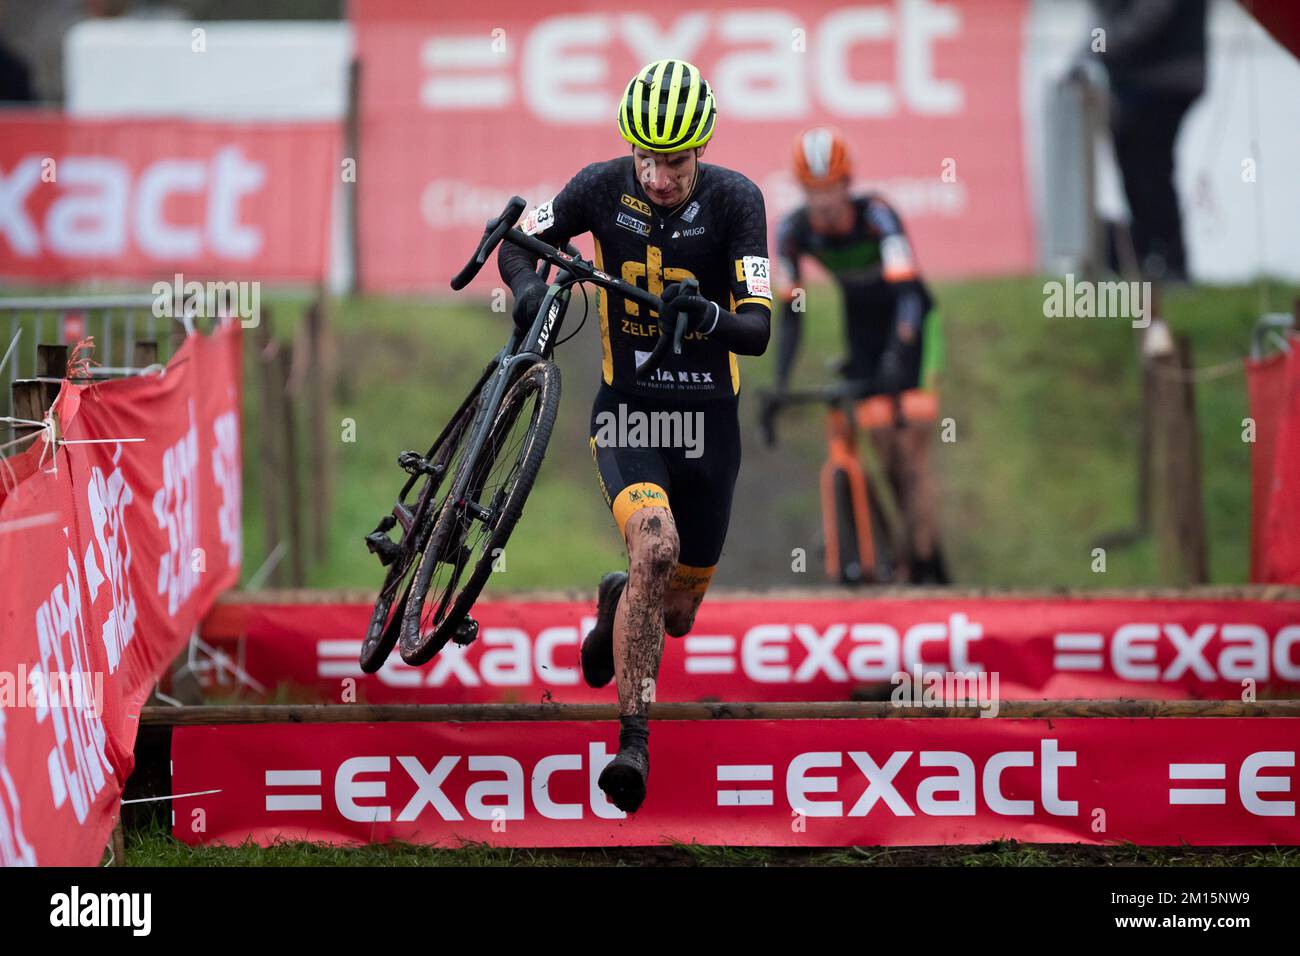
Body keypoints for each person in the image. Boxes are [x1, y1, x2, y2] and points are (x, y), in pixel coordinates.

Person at [497, 59, 771, 813]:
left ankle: (617, 601)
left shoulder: (738, 202)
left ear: (702, 150)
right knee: (656, 547)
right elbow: (519, 241)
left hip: (710, 425)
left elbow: (758, 329)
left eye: (673, 161)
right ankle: (632, 745)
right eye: (645, 157)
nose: (655, 176)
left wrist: (709, 314)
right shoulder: (598, 185)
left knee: (674, 613)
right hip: (629, 415)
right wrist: (527, 294)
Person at [773, 126, 948, 584]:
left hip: (911, 324)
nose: (823, 201)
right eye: (813, 190)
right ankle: (902, 555)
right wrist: (781, 382)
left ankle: (928, 563)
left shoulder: (878, 217)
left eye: (830, 188)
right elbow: (791, 313)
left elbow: (909, 294)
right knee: (883, 451)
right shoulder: (793, 231)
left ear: (848, 184)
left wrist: (899, 355)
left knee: (908, 454)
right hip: (864, 334)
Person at [1091, 0, 1208, 282]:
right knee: (1139, 166)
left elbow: (1151, 13)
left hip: (1164, 74)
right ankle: (1151, 258)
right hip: (1144, 76)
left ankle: (1168, 262)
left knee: (1150, 168)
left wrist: (1104, 46)